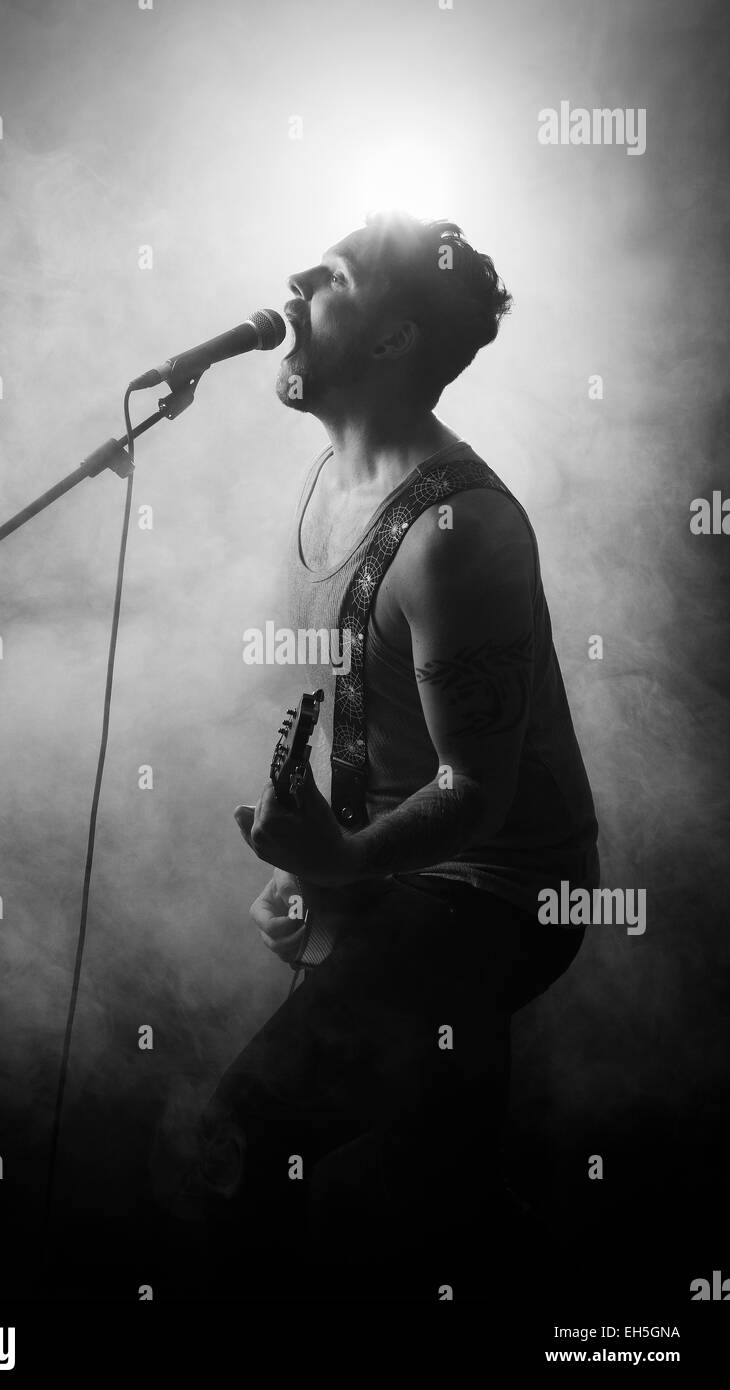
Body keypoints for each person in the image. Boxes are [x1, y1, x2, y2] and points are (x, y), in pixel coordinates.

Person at [199, 211, 599, 1298]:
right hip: (399, 867)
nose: (289, 280)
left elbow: (476, 790)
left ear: (389, 340)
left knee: (242, 1134)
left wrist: (340, 862)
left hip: (498, 888)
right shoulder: (329, 484)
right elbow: (363, 718)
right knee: (435, 1193)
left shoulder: (457, 534)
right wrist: (310, 863)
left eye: (325, 276)